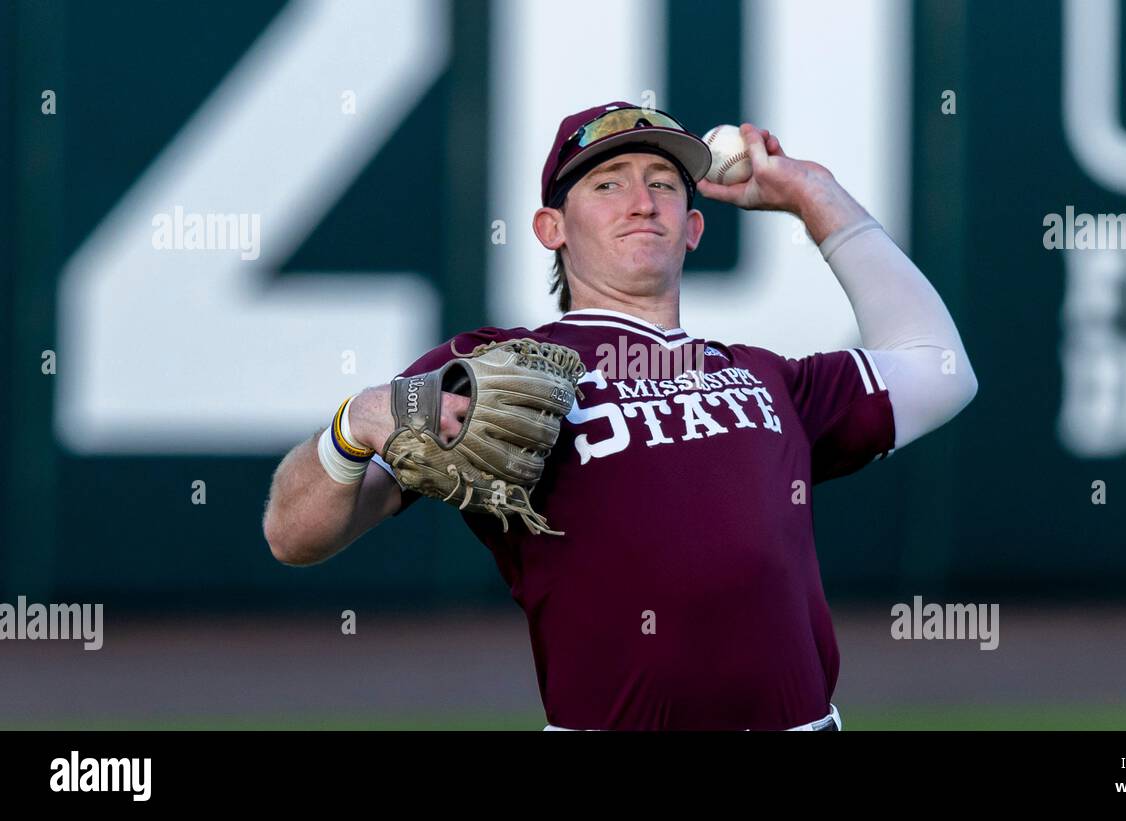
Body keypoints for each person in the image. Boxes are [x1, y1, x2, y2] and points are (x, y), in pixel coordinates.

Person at [262, 102, 978, 731]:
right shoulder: (496, 370)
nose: (643, 201)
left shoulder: (767, 375)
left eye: (663, 185)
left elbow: (941, 370)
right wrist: (355, 425)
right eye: (607, 184)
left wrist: (814, 196)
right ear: (551, 227)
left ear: (694, 227)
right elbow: (293, 535)